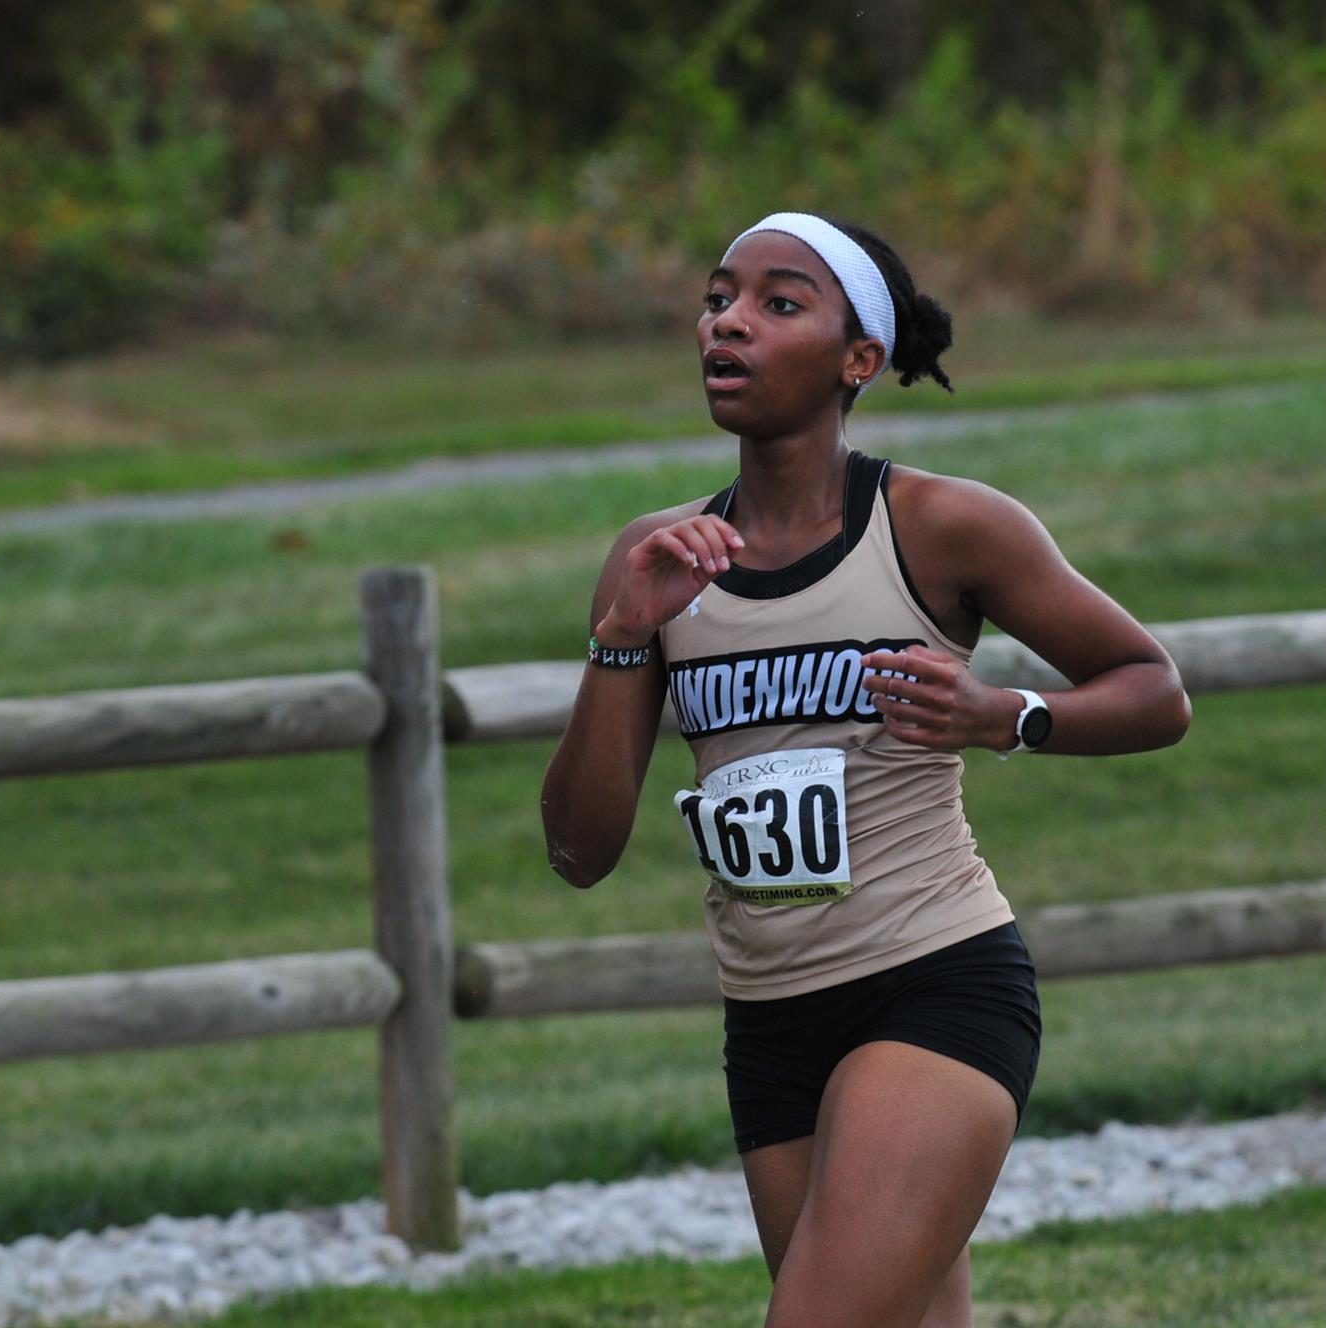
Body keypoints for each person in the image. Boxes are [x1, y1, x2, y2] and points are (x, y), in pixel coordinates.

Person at [540, 211, 1191, 1328]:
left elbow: (1153, 688)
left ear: (859, 360)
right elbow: (577, 850)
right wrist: (621, 634)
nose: (728, 322)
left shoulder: (940, 525)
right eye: (717, 298)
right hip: (769, 1023)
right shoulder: (657, 559)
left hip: (933, 982)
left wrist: (1005, 715)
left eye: (777, 303)